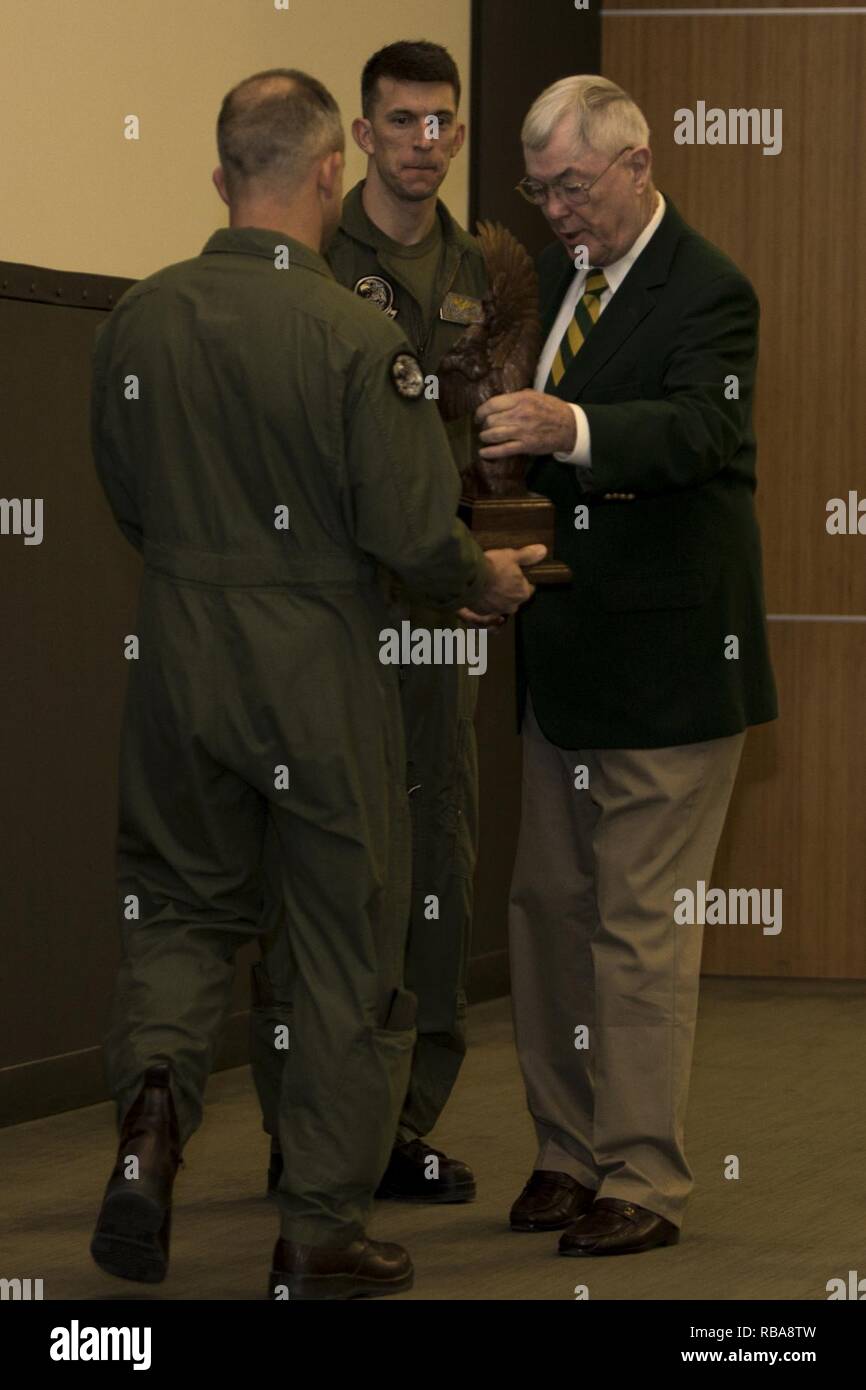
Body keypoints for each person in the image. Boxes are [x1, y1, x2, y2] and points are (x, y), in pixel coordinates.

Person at [89, 67, 541, 1300]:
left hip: (176, 660)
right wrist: (483, 580)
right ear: (331, 169)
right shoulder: (357, 336)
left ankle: (146, 1126)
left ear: (219, 174)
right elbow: (408, 531)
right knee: (345, 940)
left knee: (180, 912)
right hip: (316, 674)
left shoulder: (138, 315)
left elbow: (127, 494)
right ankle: (318, 1230)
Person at [476, 75, 778, 1256]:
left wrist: (572, 429)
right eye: (536, 186)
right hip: (564, 659)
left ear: (638, 164)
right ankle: (566, 1151)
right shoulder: (546, 282)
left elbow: (705, 428)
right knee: (548, 911)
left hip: (671, 664)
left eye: (572, 184)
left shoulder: (709, 290)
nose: (553, 208)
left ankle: (644, 1177)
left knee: (637, 922)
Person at [251, 41, 494, 1206]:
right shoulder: (309, 253)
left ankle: (403, 1121)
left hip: (438, 610)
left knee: (436, 857)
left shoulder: (483, 265)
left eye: (440, 121)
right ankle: (302, 1122)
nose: (423, 142)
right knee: (322, 870)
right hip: (331, 613)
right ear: (359, 136)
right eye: (400, 121)